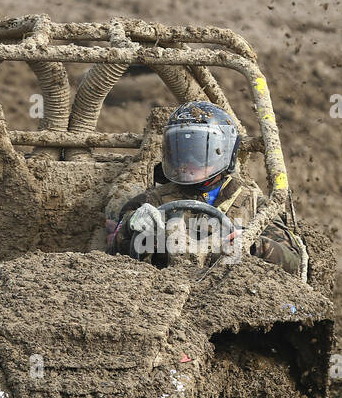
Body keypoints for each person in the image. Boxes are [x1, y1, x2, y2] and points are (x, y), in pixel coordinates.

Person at [107, 101, 301, 274]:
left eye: (199, 153)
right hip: (161, 292)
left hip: (230, 293)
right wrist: (131, 225)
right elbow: (111, 255)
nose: (189, 162)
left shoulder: (254, 205)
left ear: (224, 152)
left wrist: (253, 244)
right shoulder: (151, 202)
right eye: (183, 153)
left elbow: (294, 262)